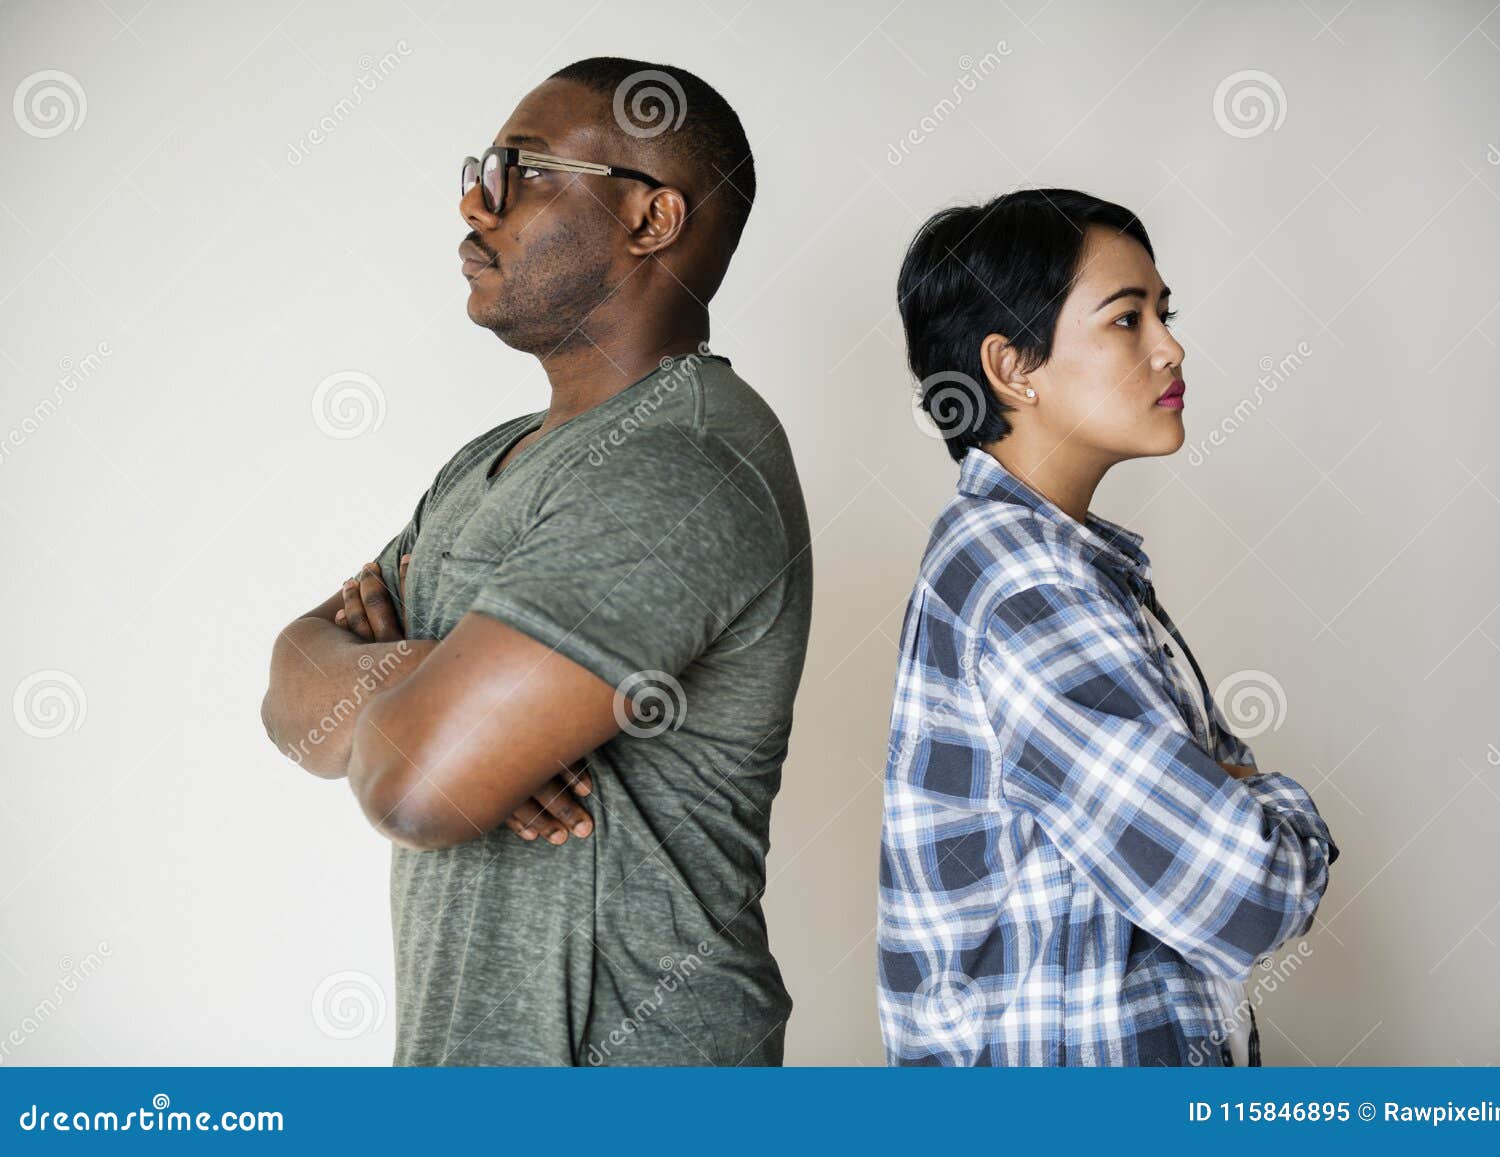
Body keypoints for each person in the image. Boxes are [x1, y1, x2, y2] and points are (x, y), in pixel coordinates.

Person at [260, 57, 812, 1067]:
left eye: (523, 170)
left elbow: (410, 784)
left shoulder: (680, 462)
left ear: (649, 221)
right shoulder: (485, 464)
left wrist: (422, 718)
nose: (476, 200)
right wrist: (431, 687)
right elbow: (291, 703)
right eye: (484, 168)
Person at [876, 188, 1340, 1066]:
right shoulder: (1025, 582)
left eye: (1164, 313)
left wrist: (1227, 790)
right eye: (1127, 320)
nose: (1172, 347)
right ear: (1013, 368)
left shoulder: (1061, 563)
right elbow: (1244, 894)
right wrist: (1269, 804)